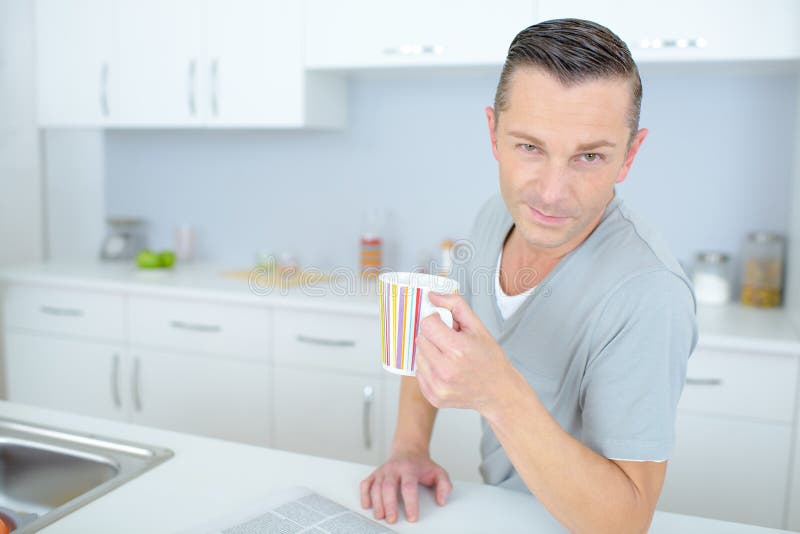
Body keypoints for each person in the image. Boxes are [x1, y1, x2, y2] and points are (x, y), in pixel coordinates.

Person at [360, 18, 697, 533]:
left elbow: (626, 523)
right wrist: (408, 449)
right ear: (493, 133)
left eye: (589, 156)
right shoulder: (497, 215)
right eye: (530, 147)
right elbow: (432, 333)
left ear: (630, 154)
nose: (552, 193)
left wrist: (499, 393)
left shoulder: (649, 294)